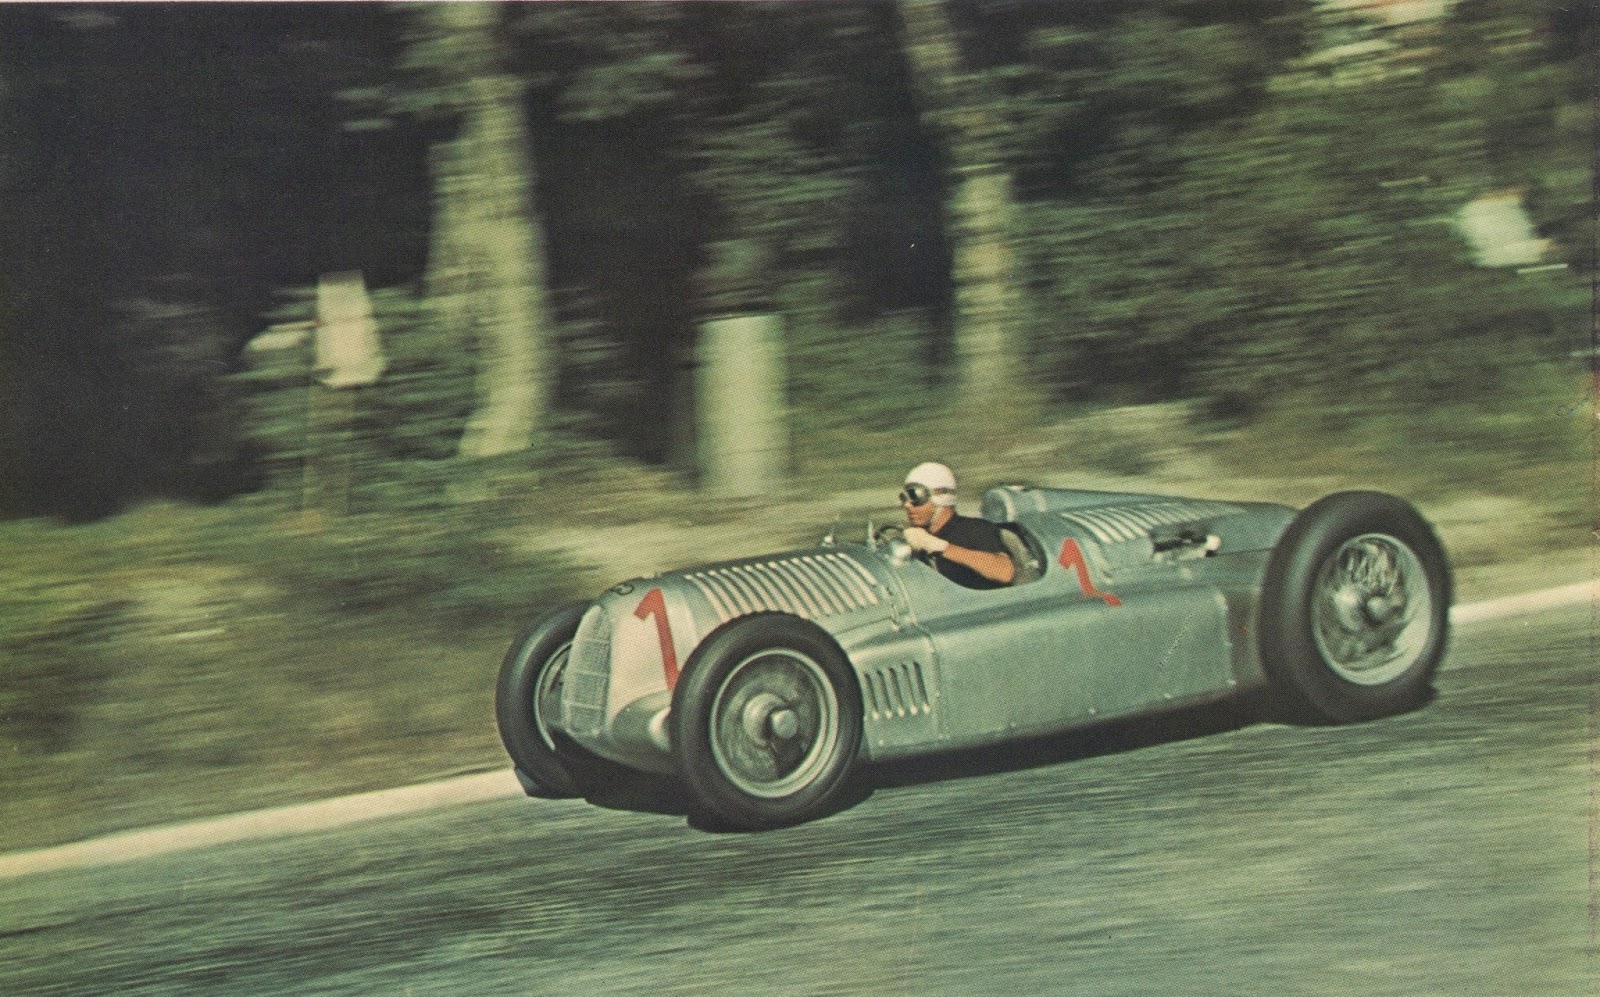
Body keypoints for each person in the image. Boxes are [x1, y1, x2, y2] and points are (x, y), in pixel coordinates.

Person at [898, 461, 1015, 589]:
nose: (907, 505)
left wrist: (941, 547)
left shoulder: (975, 529)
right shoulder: (916, 539)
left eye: (914, 495)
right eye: (903, 498)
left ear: (941, 498)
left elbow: (1005, 572)